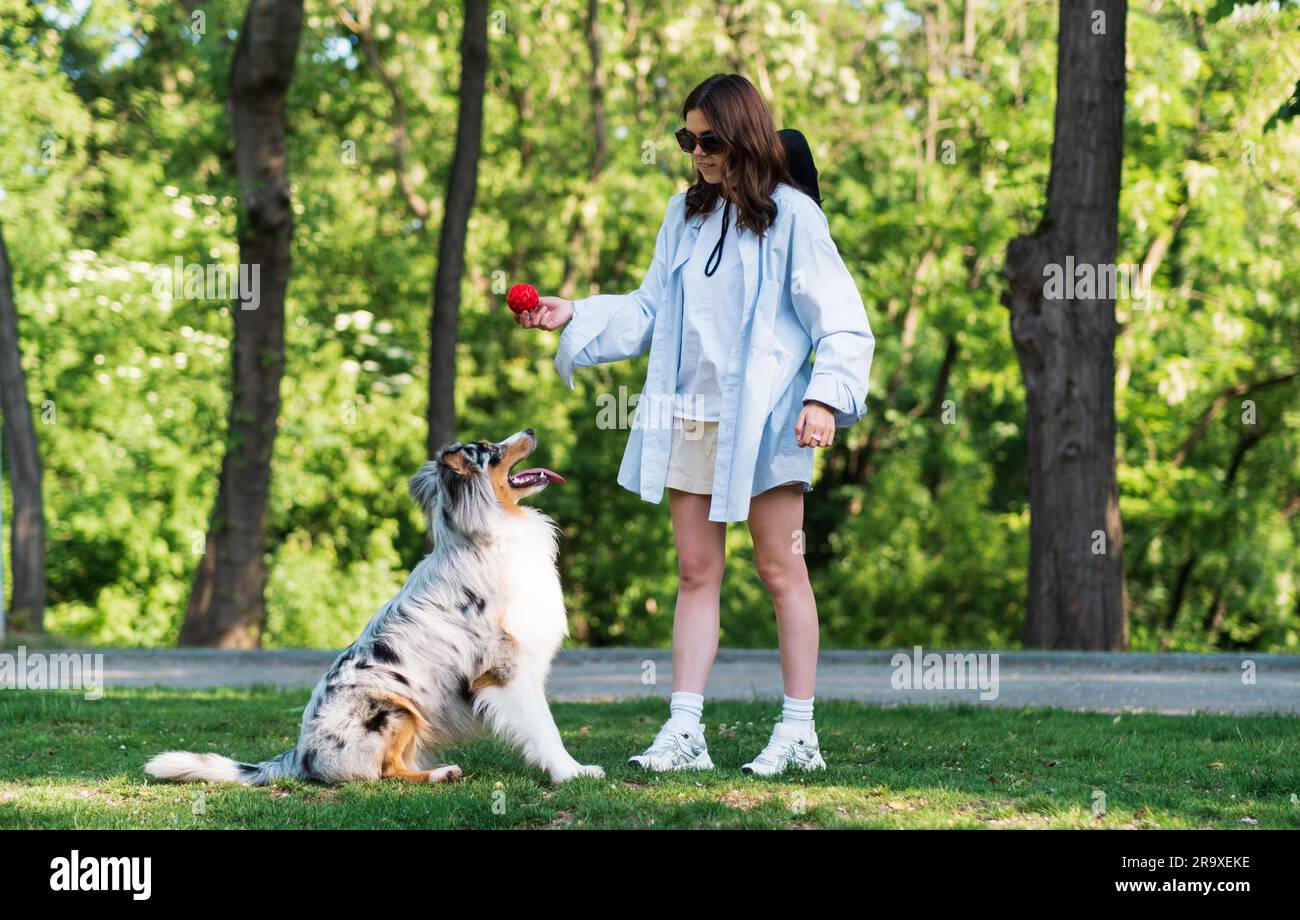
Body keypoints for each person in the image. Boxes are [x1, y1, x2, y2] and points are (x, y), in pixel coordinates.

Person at [514, 73, 874, 776]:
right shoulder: (684, 215)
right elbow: (650, 309)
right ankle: (685, 732)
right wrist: (574, 313)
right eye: (688, 139)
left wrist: (823, 398)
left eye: (709, 139)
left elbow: (841, 319)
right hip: (690, 416)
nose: (698, 152)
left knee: (780, 569)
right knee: (693, 571)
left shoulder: (794, 217)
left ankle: (798, 731)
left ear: (744, 135)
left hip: (768, 418)